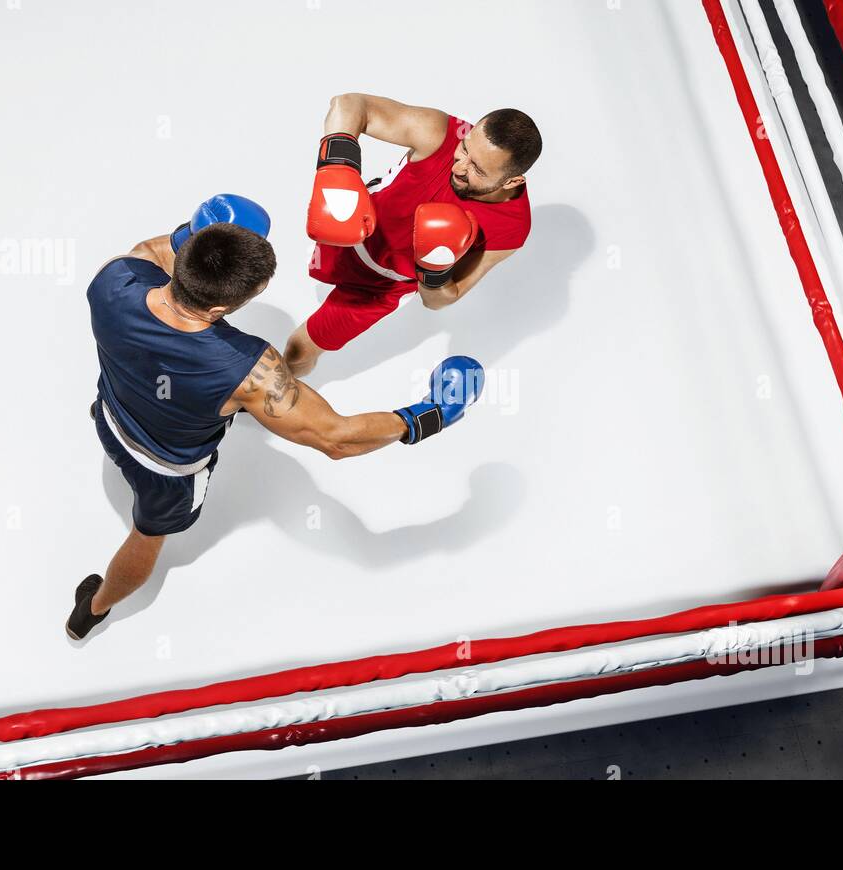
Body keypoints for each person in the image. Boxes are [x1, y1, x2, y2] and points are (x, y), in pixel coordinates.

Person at [71, 194, 484, 641]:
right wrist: (430, 414)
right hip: (165, 473)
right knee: (147, 537)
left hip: (109, 412)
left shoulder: (115, 279)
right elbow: (336, 438)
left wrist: (204, 237)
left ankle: (88, 611)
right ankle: (93, 609)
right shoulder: (247, 371)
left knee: (123, 396)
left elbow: (154, 252)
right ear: (220, 310)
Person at [287, 95, 542, 376]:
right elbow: (348, 104)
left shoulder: (512, 227)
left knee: (298, 351)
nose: (459, 166)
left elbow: (438, 301)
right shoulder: (441, 133)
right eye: (465, 149)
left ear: (512, 181)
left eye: (478, 170)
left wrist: (435, 269)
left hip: (381, 287)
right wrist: (338, 168)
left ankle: (261, 404)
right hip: (353, 227)